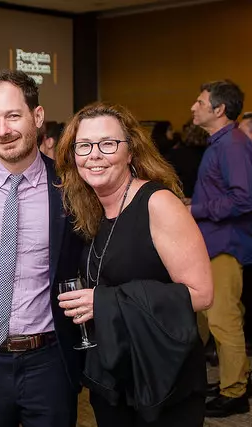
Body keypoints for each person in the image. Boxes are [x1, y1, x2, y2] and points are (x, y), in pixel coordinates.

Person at [55, 102, 213, 426]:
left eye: (108, 144)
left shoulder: (159, 203)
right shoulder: (93, 210)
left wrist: (105, 301)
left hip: (162, 379)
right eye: (83, 146)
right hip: (116, 375)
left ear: (131, 152)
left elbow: (201, 293)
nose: (94, 154)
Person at [0, 70, 84, 427]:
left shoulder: (70, 185)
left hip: (51, 358)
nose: (3, 130)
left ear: (37, 117)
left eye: (12, 116)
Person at [189, 80, 252, 417]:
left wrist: (195, 209)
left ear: (218, 109)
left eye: (199, 102)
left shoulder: (231, 145)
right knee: (215, 318)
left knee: (224, 321)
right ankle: (231, 381)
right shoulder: (221, 143)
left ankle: (235, 392)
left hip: (224, 246)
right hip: (213, 245)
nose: (192, 107)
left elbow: (244, 198)